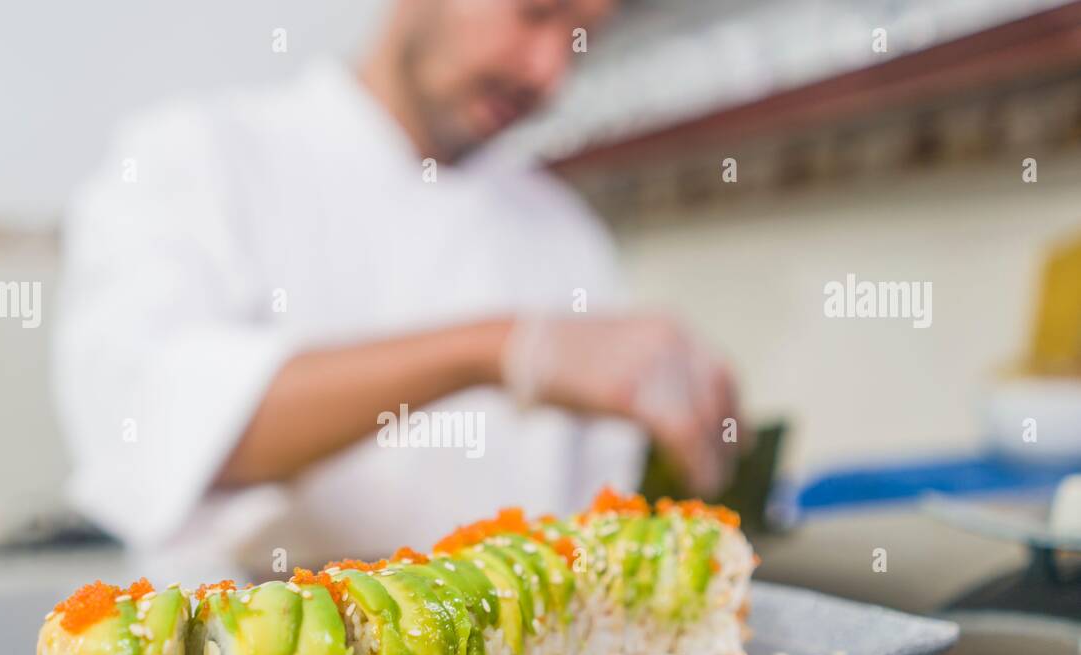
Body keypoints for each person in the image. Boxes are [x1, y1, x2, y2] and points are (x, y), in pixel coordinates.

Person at [54, 0, 739, 574]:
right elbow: (151, 427)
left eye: (583, 39)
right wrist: (496, 349)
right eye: (536, 13)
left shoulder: (567, 233)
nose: (550, 73)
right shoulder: (195, 157)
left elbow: (598, 526)